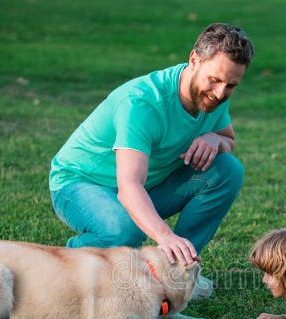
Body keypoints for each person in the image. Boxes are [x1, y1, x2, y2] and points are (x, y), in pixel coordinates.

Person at [49, 23, 254, 267]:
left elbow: (228, 139)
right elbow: (129, 186)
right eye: (215, 80)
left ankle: (178, 268)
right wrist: (165, 236)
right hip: (81, 182)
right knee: (124, 231)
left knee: (228, 170)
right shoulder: (141, 102)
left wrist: (215, 139)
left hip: (146, 185)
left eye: (231, 86)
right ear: (194, 60)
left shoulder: (213, 96)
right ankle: (58, 264)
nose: (220, 93)